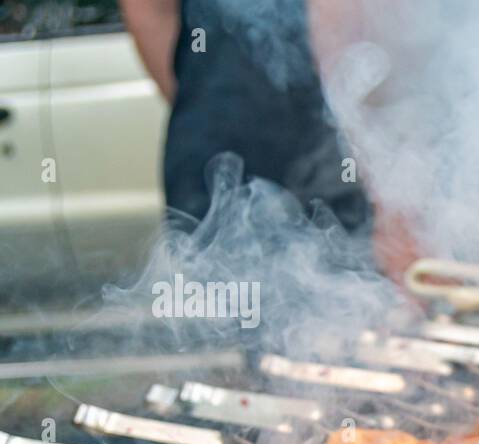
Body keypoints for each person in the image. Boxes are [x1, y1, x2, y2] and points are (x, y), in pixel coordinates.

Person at [119, 0, 417, 279]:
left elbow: (148, 13)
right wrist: (393, 203)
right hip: (323, 148)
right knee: (360, 317)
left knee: (240, 320)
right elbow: (341, 34)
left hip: (209, 150)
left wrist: (202, 107)